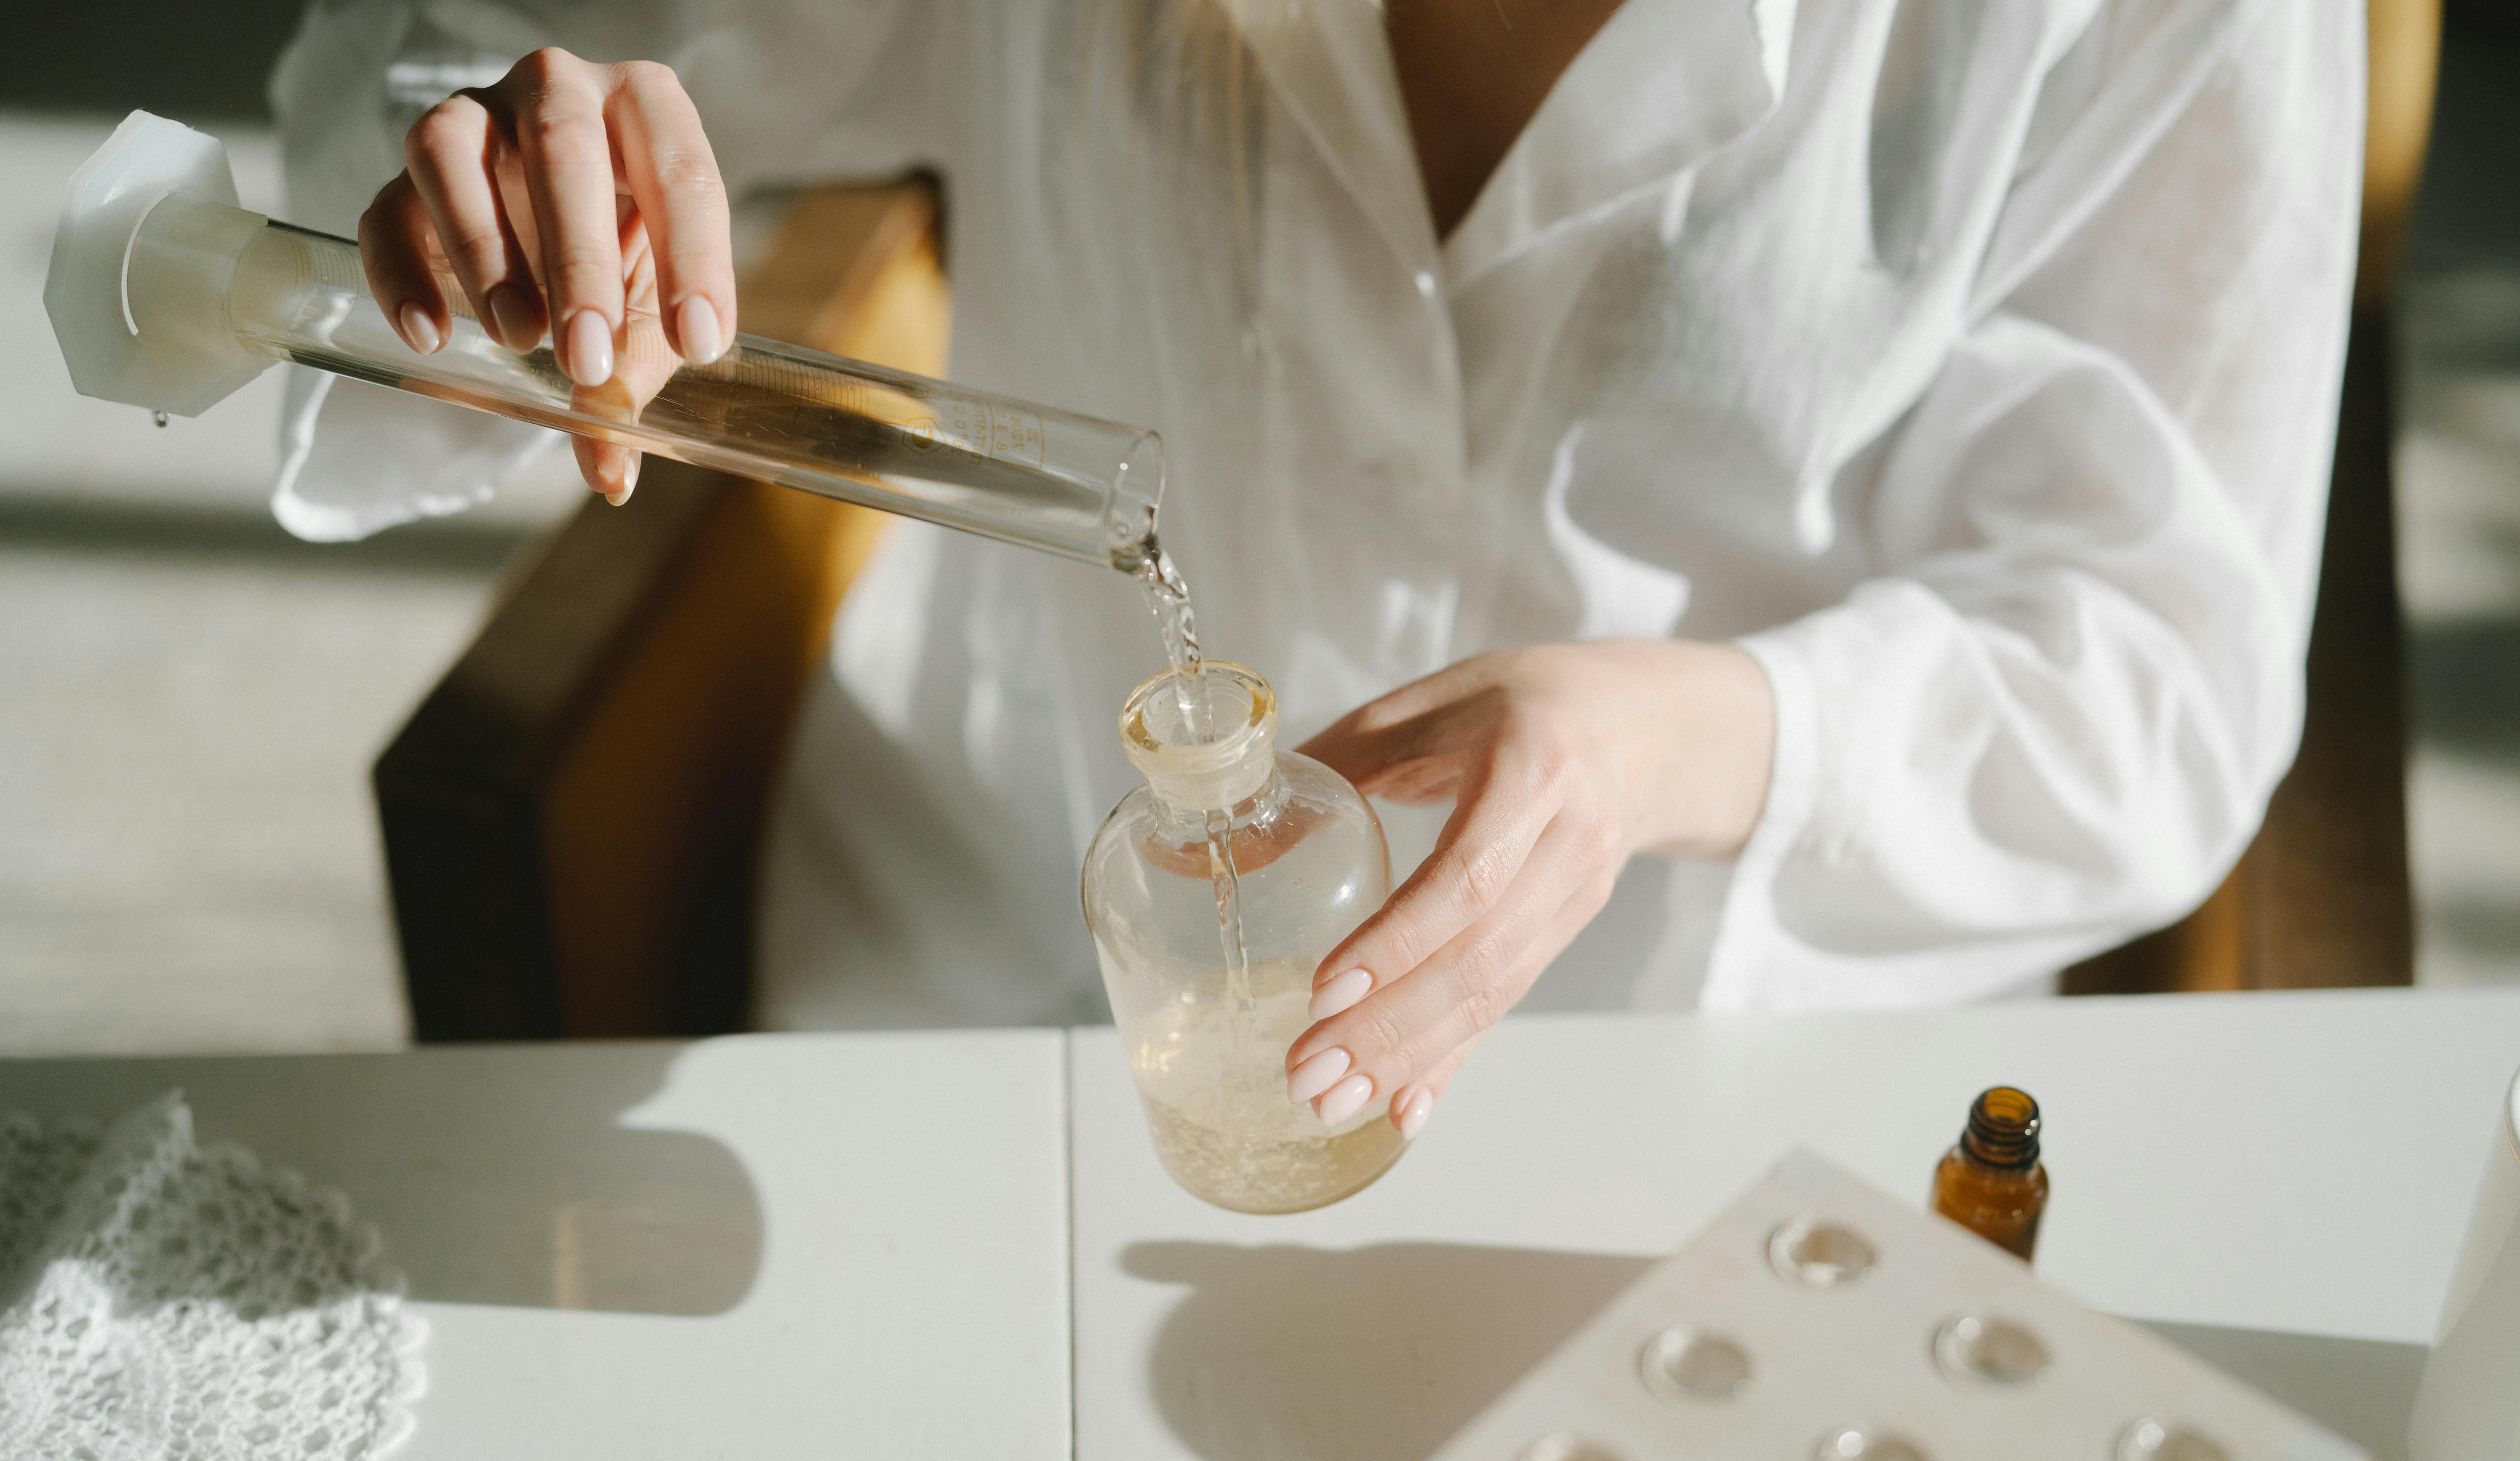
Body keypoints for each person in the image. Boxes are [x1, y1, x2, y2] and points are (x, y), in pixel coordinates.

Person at [273, 0, 2360, 1139]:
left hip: (1721, 1077)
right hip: (992, 989)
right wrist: (498, 167)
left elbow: (2155, 661)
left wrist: (1677, 742)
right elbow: (453, 50)